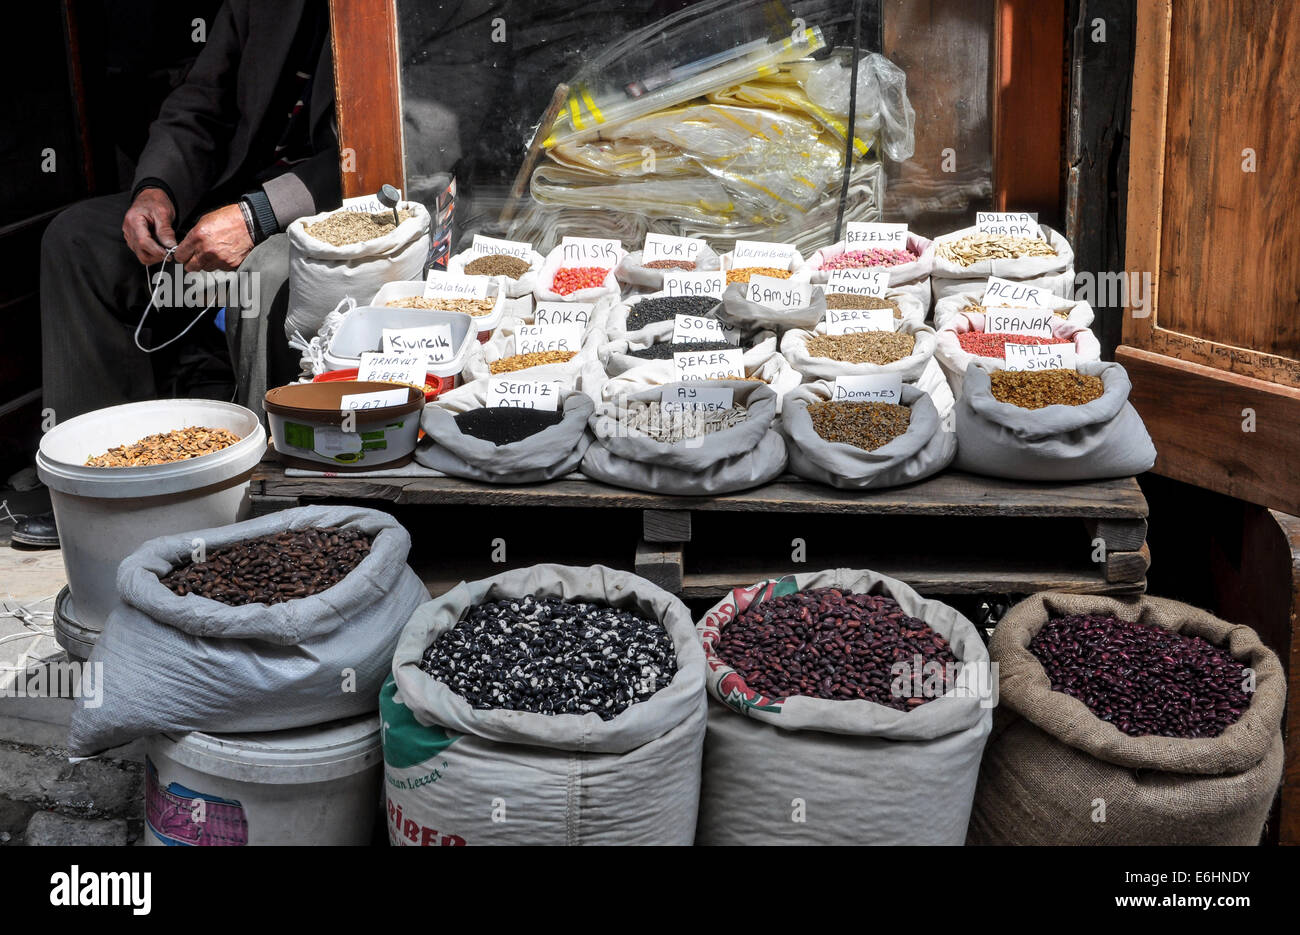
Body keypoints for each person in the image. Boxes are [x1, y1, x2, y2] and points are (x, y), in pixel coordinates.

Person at [14, 0, 338, 548]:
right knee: (78, 239)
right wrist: (156, 187)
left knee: (270, 269)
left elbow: (417, 131)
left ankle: (250, 508)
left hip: (342, 208)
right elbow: (200, 101)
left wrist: (260, 216)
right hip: (235, 192)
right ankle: (97, 497)